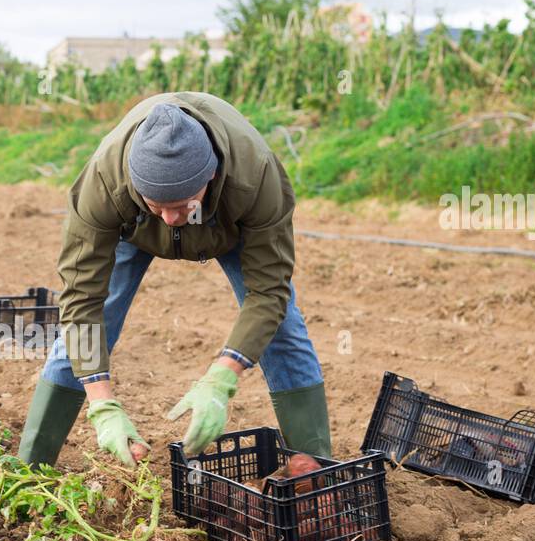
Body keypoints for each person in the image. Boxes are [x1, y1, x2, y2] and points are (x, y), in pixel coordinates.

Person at [17, 92, 331, 467]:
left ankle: (313, 465)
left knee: (284, 328)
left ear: (211, 174)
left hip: (227, 224)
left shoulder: (256, 176)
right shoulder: (104, 182)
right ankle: (31, 466)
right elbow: (81, 301)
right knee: (86, 328)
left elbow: (269, 291)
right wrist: (101, 405)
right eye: (156, 205)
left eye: (182, 205)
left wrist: (220, 380)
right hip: (132, 228)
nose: (169, 218)